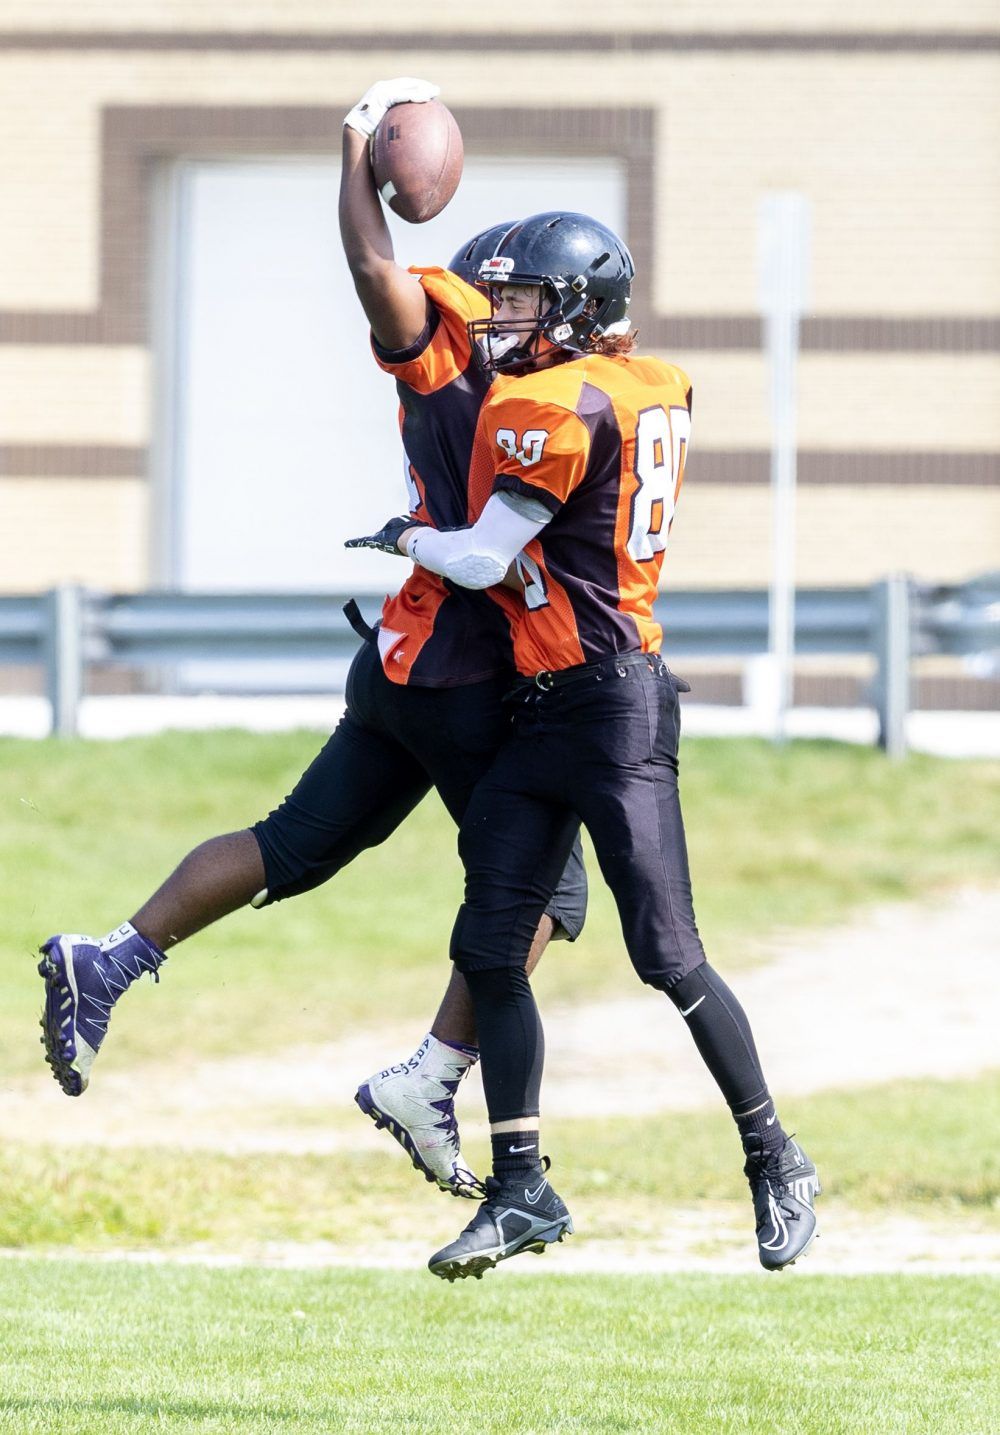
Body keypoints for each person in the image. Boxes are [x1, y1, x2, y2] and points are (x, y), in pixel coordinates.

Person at [36, 80, 587, 1200]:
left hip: (399, 660)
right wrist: (355, 153)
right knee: (549, 895)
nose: (502, 314)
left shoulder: (551, 382)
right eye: (500, 301)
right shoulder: (456, 364)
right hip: (465, 677)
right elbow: (379, 274)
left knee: (293, 843)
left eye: (519, 301)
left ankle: (113, 957)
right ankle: (430, 1078)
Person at [350, 210, 820, 1279]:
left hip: (614, 708)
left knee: (667, 953)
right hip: (544, 711)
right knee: (489, 943)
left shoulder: (558, 404)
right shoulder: (637, 383)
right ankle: (520, 1190)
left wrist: (403, 535)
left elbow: (478, 558)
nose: (501, 321)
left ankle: (775, 1157)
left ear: (579, 312)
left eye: (520, 304)